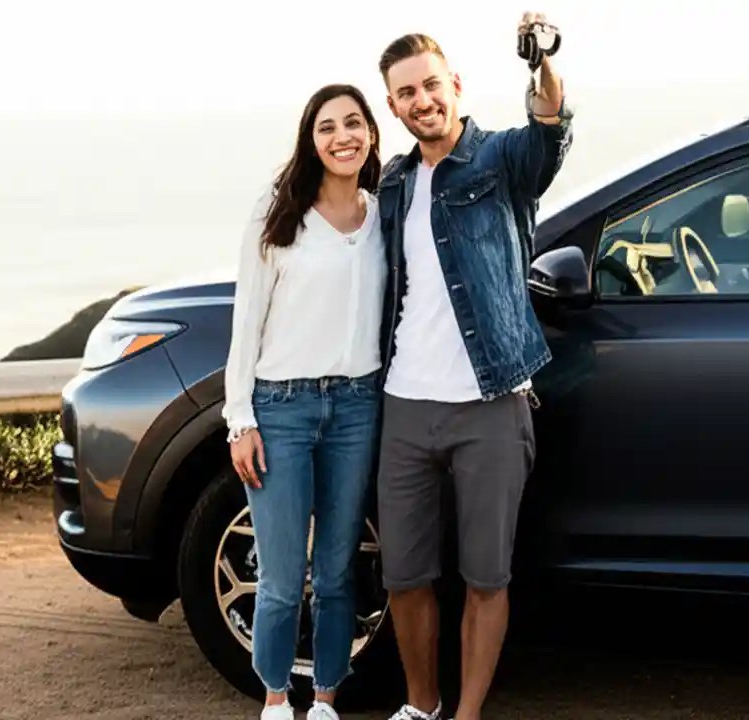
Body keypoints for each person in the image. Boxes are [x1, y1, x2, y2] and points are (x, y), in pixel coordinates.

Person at [372, 12, 573, 720]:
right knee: (404, 576)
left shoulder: (499, 160)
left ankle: (466, 715)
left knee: (486, 575)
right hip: (404, 405)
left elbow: (551, 128)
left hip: (491, 402)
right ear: (394, 107)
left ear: (454, 84)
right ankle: (421, 707)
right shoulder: (393, 185)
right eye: (406, 94)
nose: (422, 100)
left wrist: (541, 63)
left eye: (431, 85)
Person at [222, 83, 386, 720]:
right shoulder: (278, 213)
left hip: (357, 407)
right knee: (284, 579)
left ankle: (323, 699)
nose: (342, 136)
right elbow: (246, 323)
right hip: (281, 409)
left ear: (371, 133)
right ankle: (273, 698)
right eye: (327, 127)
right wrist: (241, 419)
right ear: (310, 140)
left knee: (340, 569)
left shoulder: (382, 215)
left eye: (353, 123)